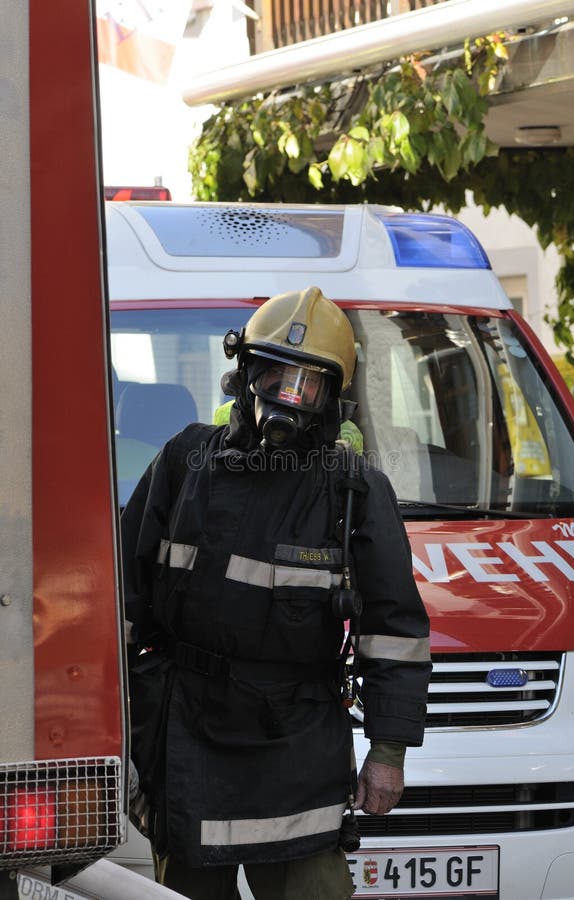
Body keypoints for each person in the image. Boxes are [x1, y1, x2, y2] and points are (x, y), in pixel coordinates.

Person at [121, 286, 432, 900]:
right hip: (187, 737)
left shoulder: (354, 491)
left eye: (306, 384)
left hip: (296, 747)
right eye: (274, 374)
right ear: (245, 374)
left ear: (330, 398)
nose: (286, 396)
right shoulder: (184, 462)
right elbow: (120, 601)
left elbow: (394, 630)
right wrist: (110, 724)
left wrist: (388, 752)